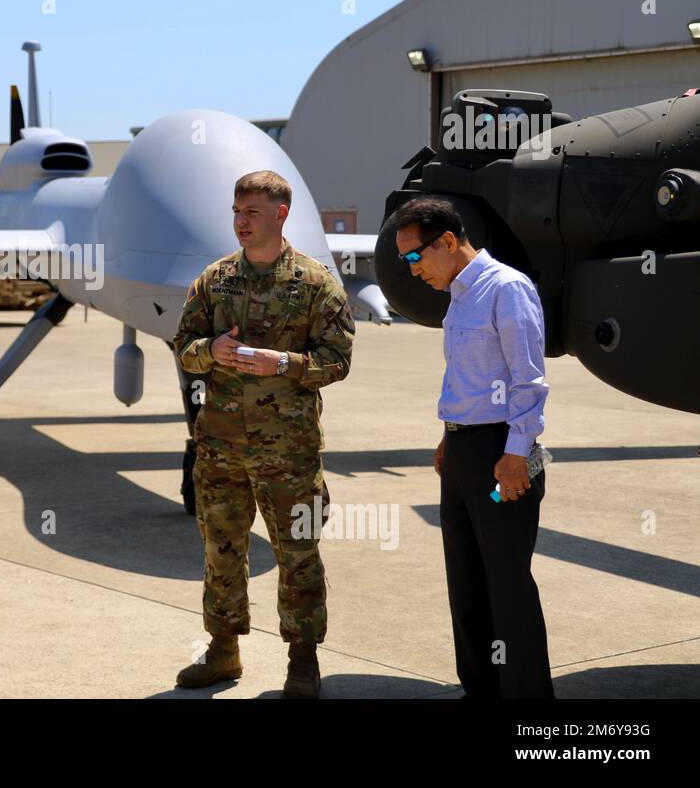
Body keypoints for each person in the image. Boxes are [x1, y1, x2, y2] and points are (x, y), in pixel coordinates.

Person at [172, 170, 354, 697]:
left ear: (280, 214)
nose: (240, 222)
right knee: (220, 551)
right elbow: (184, 343)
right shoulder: (215, 280)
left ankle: (303, 660)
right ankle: (222, 652)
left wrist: (286, 363)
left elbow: (337, 360)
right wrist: (211, 352)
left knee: (298, 552)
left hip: (288, 453)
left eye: (251, 212)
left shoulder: (314, 282)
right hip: (220, 446)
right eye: (235, 211)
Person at [390, 196, 554, 699]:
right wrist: (449, 435)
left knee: (507, 585)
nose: (412, 271)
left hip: (501, 453)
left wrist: (513, 454)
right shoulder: (460, 295)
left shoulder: (506, 288)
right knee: (466, 582)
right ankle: (480, 690)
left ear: (447, 240)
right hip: (464, 451)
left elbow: (528, 381)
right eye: (404, 262)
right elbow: (472, 376)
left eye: (414, 257)